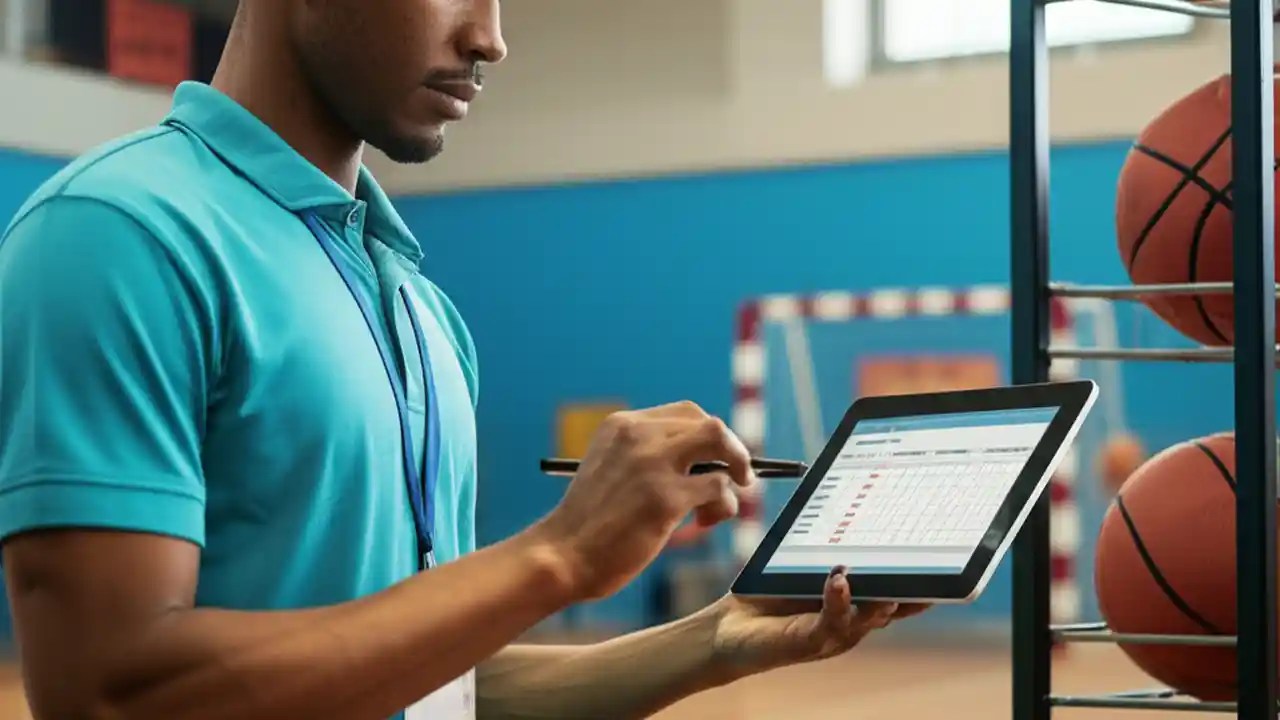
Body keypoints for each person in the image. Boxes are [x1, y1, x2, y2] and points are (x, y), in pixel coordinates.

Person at [0, 2, 925, 719]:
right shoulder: (118, 236)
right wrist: (559, 554)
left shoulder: (421, 307)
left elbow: (437, 686)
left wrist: (717, 639)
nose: (491, 37)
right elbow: (111, 692)